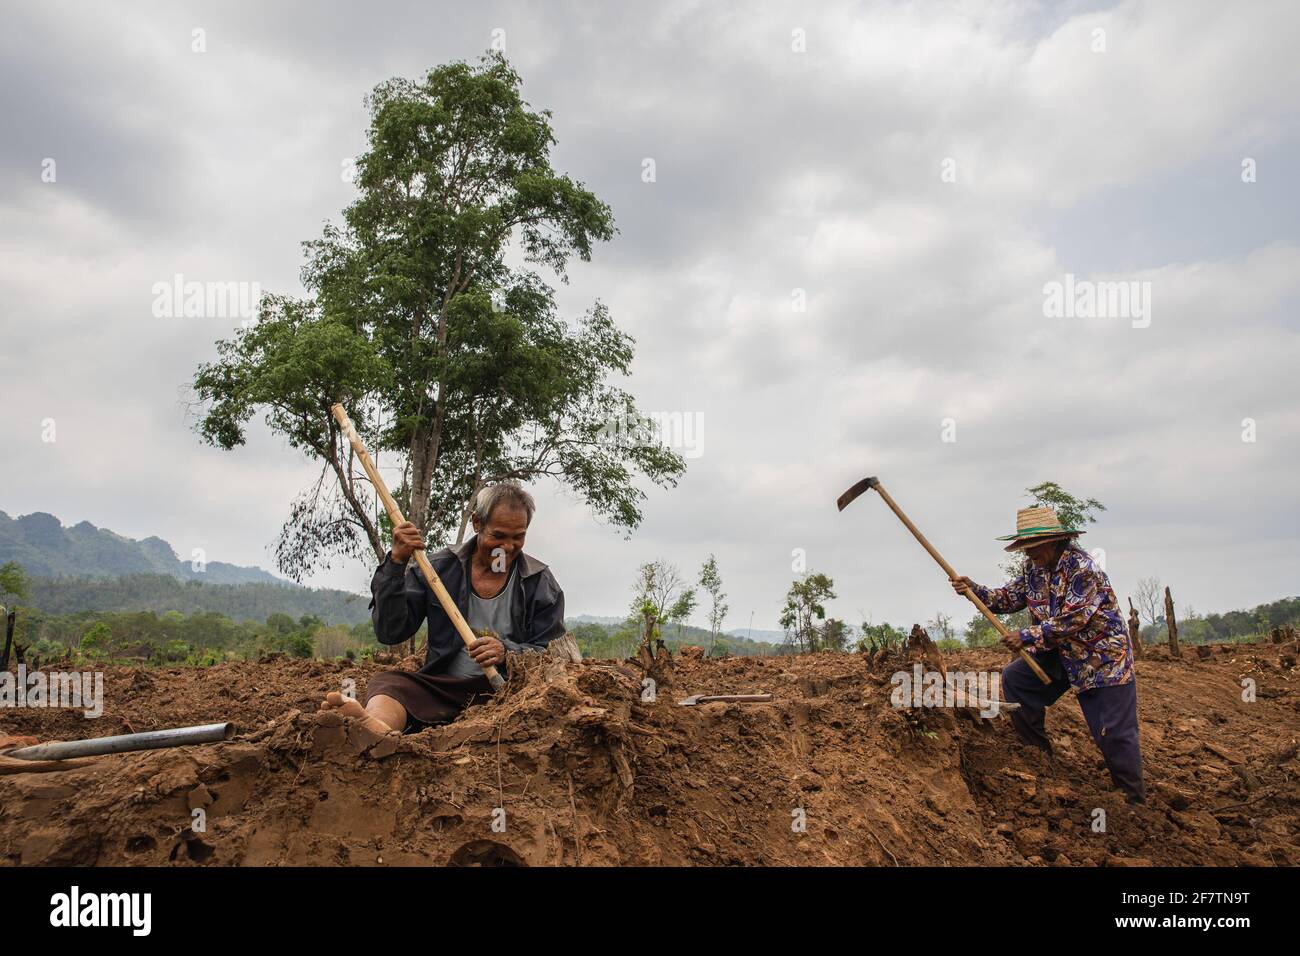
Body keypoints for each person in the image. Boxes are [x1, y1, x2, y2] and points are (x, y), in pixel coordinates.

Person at [321, 482, 565, 735]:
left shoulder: (540, 583)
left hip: (506, 694)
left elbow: (554, 654)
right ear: (477, 523)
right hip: (442, 689)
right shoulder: (437, 568)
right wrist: (396, 562)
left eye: (518, 537)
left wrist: (507, 652)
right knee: (388, 684)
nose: (508, 547)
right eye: (499, 536)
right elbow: (390, 632)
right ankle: (377, 731)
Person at [951, 506, 1144, 802]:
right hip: (1059, 653)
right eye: (1025, 548)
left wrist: (1027, 635)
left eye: (1033, 547)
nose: (1029, 554)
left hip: (1100, 658)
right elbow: (1010, 598)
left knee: (1113, 733)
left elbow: (1074, 619)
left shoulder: (1083, 569)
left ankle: (1132, 801)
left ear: (1053, 541)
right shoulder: (1034, 569)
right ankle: (1039, 760)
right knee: (1016, 680)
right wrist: (973, 589)